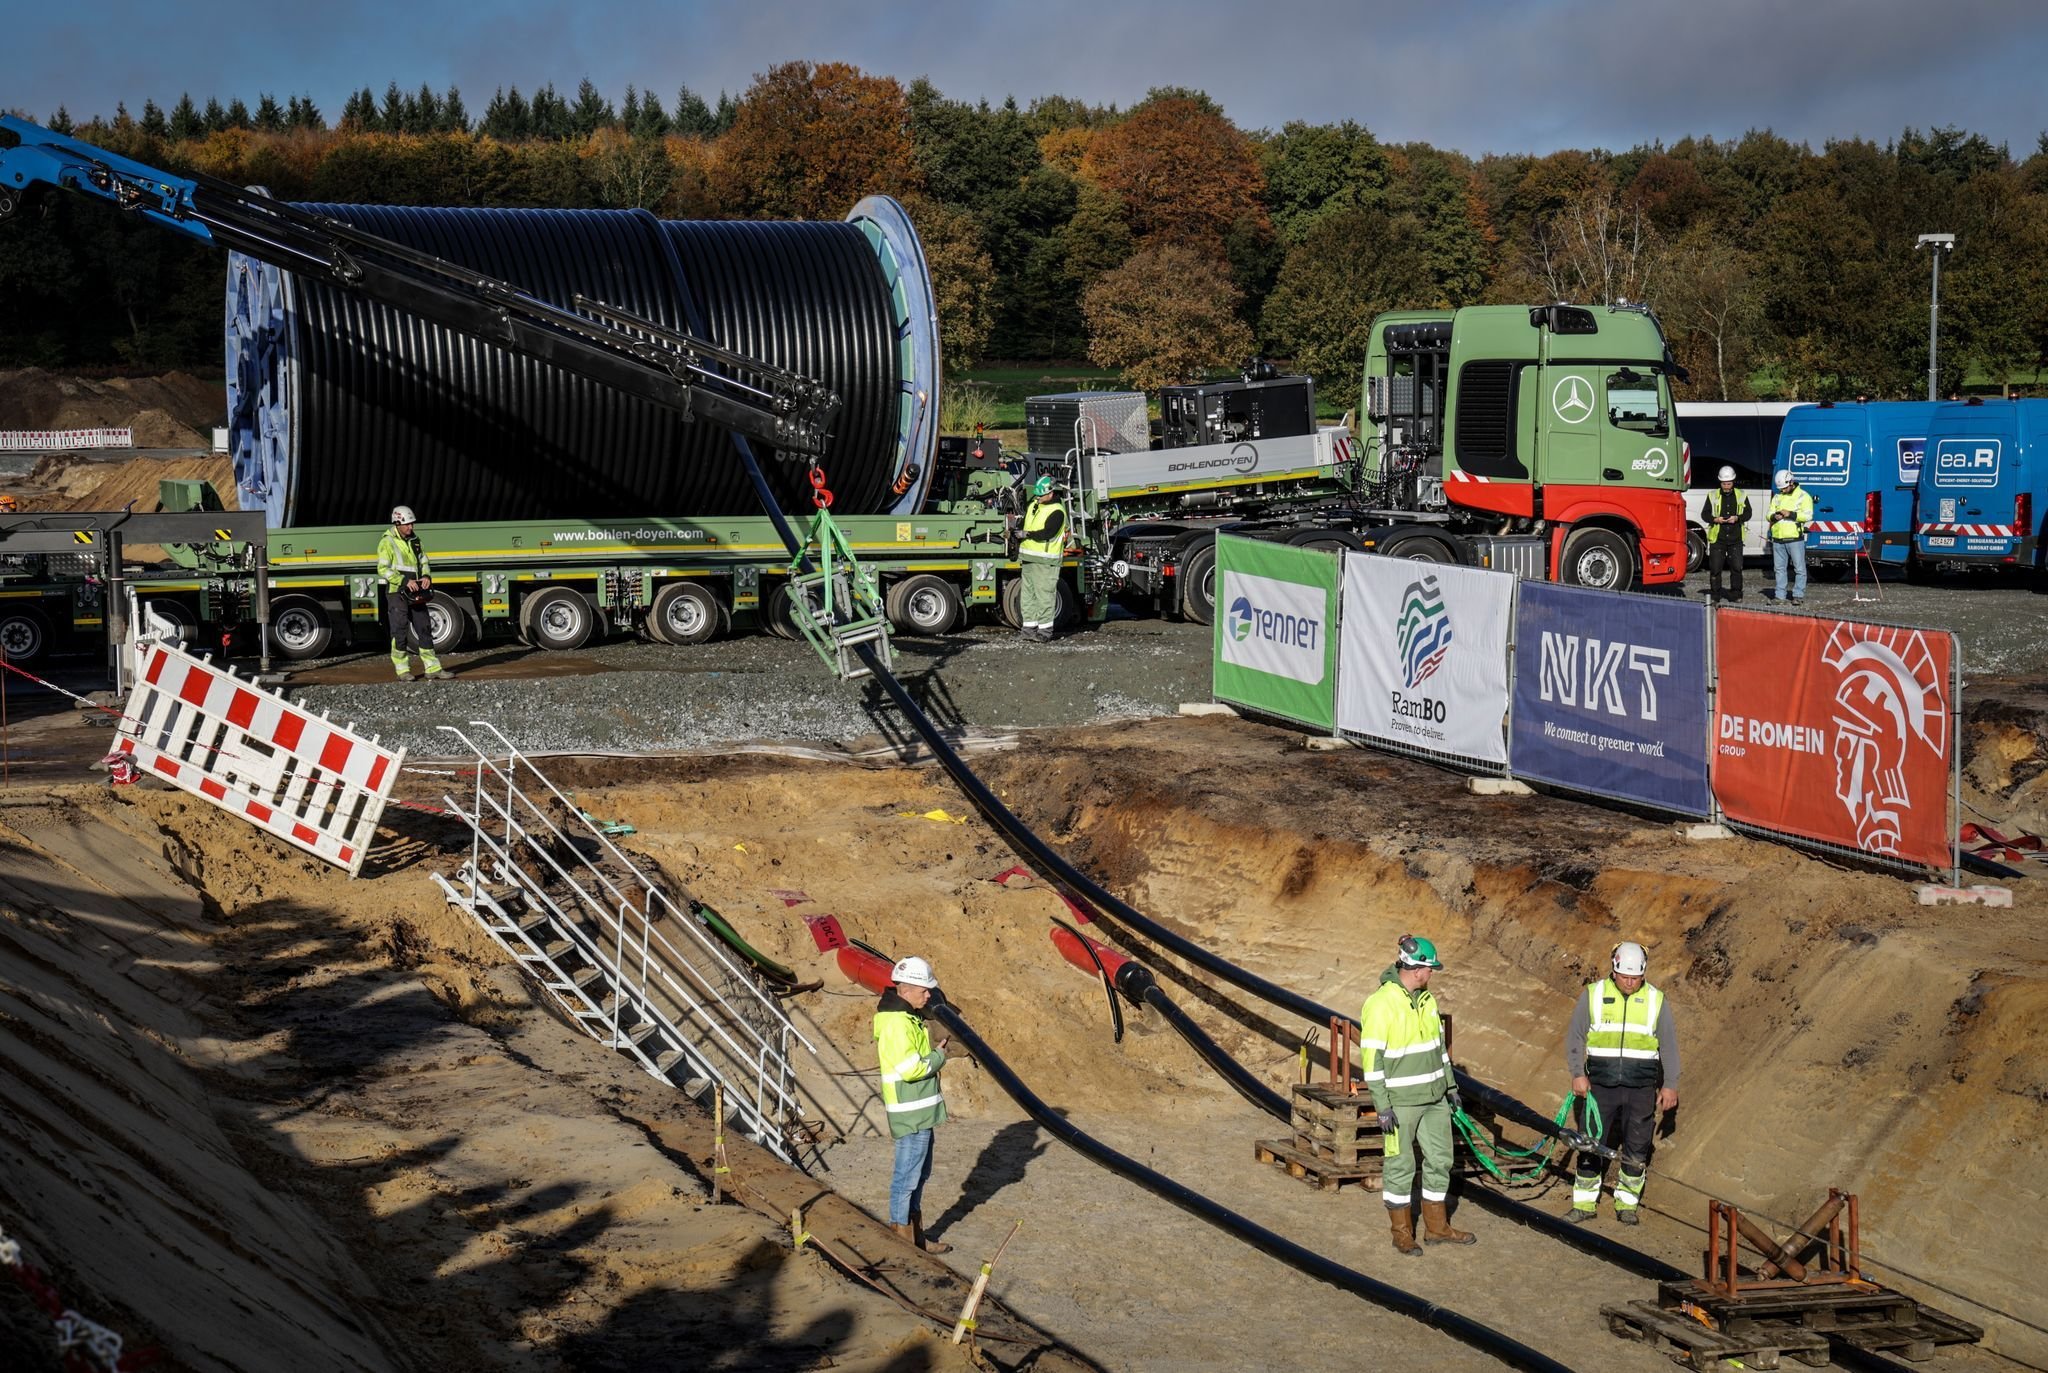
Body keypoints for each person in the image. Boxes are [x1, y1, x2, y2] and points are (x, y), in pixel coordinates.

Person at [1360, 934, 1474, 1255]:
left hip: (1435, 1100)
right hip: (1401, 1103)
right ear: (1415, 968)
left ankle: (1437, 1228)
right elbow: (1371, 1061)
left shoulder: (1427, 1000)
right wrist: (1382, 1106)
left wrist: (1450, 1088)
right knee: (1400, 1165)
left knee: (1440, 1161)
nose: (1432, 972)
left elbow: (1439, 1051)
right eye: (1430, 967)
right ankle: (1401, 1233)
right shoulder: (1380, 1004)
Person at [1563, 941, 1680, 1226]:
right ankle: (1584, 1204)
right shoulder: (1593, 994)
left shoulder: (1656, 1000)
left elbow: (1669, 1045)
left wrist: (1670, 1084)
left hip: (1641, 1088)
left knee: (1637, 1147)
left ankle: (1627, 1205)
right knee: (1590, 1144)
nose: (1629, 982)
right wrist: (1577, 1073)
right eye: (1624, 976)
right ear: (1614, 971)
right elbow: (1576, 1035)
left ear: (1643, 973)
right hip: (1600, 1087)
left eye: (1635, 977)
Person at [874, 955, 953, 1254]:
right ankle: (902, 1241)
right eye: (924, 990)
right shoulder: (897, 1023)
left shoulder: (908, 1017)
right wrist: (938, 1057)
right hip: (910, 1113)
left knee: (919, 1174)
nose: (928, 995)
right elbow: (911, 1069)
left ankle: (915, 1237)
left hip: (920, 1111)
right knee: (907, 1176)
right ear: (906, 990)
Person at [376, 505, 454, 682]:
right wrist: (404, 581)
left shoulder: (416, 540)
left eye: (412, 524)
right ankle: (402, 671)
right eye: (407, 524)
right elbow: (383, 569)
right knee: (399, 630)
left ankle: (433, 669)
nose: (411, 527)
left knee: (424, 627)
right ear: (397, 523)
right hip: (397, 592)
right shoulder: (387, 542)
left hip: (417, 591)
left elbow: (424, 562)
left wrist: (426, 576)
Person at [1017, 475, 1067, 642]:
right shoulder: (1034, 505)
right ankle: (1028, 630)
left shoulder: (1057, 511)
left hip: (1046, 561)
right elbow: (1025, 524)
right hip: (1029, 558)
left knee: (1044, 596)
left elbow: (1048, 533)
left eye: (1040, 495)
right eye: (1036, 494)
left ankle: (1045, 632)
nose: (1037, 497)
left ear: (1050, 493)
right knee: (1028, 596)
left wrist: (1027, 534)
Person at [1700, 466, 1750, 602]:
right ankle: (1715, 595)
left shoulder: (1742, 495)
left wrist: (1737, 518)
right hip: (1718, 538)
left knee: (1736, 568)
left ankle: (1736, 594)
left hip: (1736, 538)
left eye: (1728, 483)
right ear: (1720, 482)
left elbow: (1748, 513)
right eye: (1724, 483)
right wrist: (1715, 519)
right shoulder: (1712, 495)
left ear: (1733, 482)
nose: (1726, 486)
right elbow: (1704, 514)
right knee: (1715, 569)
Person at [1767, 470, 1813, 605]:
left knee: (1799, 568)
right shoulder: (1777, 497)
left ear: (1791, 482)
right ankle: (1779, 596)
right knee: (1779, 569)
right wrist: (1773, 516)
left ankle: (1798, 595)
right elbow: (1768, 513)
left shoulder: (1803, 496)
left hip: (1794, 539)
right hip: (1778, 538)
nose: (1782, 490)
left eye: (1785, 488)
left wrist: (1790, 514)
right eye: (1781, 488)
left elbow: (1808, 515)